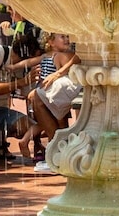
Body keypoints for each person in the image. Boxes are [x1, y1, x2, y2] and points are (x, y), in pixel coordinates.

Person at [23, 32, 79, 173]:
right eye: (63, 37)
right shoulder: (49, 56)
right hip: (67, 83)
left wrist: (57, 73)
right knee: (53, 113)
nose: (67, 39)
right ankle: (57, 152)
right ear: (51, 42)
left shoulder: (60, 55)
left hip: (76, 81)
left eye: (67, 37)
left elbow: (78, 58)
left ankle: (57, 153)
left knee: (38, 99)